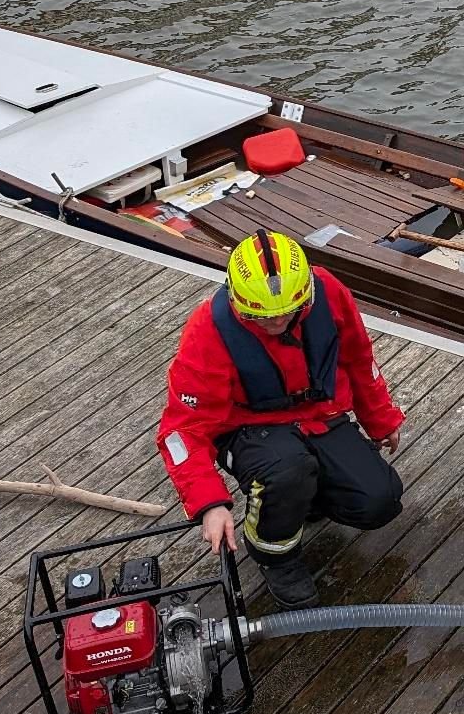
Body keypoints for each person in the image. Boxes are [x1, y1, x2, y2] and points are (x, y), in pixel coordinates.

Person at [155, 230, 407, 610]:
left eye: (288, 312)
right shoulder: (208, 330)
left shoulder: (331, 292)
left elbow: (358, 358)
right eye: (261, 316)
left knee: (380, 500)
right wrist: (208, 503)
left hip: (320, 416)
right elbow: (180, 431)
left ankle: (305, 499)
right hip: (248, 429)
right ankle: (274, 555)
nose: (276, 323)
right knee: (287, 471)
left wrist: (380, 418)